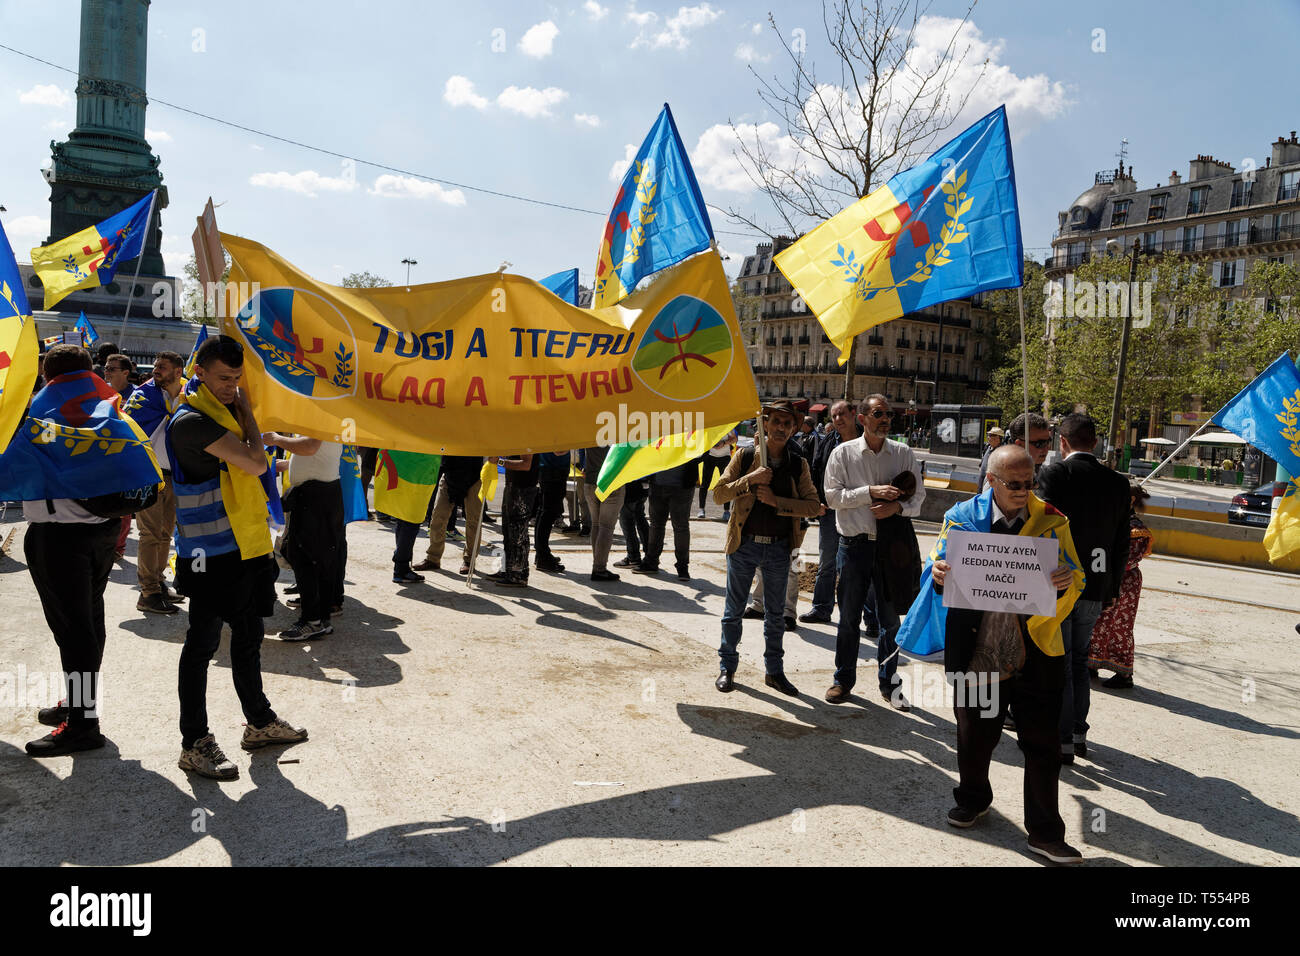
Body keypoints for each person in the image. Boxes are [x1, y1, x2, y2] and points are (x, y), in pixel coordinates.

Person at [906, 444, 1085, 863]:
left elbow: (1077, 575)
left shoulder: (1052, 522)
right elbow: (934, 566)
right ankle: (972, 797)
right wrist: (936, 574)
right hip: (976, 645)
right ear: (990, 481)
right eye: (1014, 484)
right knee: (974, 732)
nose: (1025, 491)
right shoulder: (960, 519)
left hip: (1036, 648)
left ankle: (1044, 832)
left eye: (1030, 482)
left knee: (1041, 742)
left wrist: (1065, 581)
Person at [168, 335, 306, 780]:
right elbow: (256, 463)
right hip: (209, 556)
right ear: (200, 372)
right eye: (223, 379)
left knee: (248, 639)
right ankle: (195, 743)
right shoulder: (191, 421)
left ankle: (260, 723)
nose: (231, 386)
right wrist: (247, 409)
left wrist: (240, 408)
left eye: (237, 379)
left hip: (247, 548)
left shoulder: (219, 413)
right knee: (202, 645)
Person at [15, 346, 134, 756]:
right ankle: (78, 703)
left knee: (73, 631)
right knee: (88, 624)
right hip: (102, 530)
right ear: (91, 372)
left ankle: (83, 725)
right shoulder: (109, 404)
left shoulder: (37, 410)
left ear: (48, 376)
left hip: (58, 535)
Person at [1036, 413, 1133, 763]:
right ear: (1095, 442)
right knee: (1079, 660)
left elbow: (1041, 527)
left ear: (1062, 442)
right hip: (1096, 584)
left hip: (1059, 583)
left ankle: (1062, 738)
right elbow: (1123, 541)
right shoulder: (1119, 483)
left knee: (1059, 661)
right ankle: (1077, 732)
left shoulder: (1055, 474)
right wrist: (1113, 587)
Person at [712, 399, 821, 695]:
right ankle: (727, 667)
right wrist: (750, 480)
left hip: (778, 549)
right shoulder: (746, 456)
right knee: (733, 611)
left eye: (788, 424)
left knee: (775, 614)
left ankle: (774, 671)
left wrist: (777, 502)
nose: (781, 428)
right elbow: (719, 495)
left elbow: (813, 505)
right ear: (766, 423)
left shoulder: (797, 464)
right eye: (776, 422)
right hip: (743, 545)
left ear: (794, 429)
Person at [823, 394, 924, 709]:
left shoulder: (903, 454)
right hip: (854, 546)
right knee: (849, 618)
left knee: (891, 620)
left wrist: (896, 506)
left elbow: (918, 499)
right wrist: (870, 493)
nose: (885, 420)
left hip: (892, 547)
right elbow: (832, 497)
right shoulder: (843, 454)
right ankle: (843, 682)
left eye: (889, 415)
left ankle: (890, 685)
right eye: (879, 413)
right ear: (862, 418)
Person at [121, 350, 187, 614]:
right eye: (156, 366)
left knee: (165, 533)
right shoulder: (143, 396)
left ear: (178, 372)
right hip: (148, 473)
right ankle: (147, 593)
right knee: (149, 534)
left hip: (174, 475)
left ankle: (158, 582)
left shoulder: (189, 394)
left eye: (162, 367)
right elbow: (127, 427)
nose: (156, 370)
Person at [263, 432, 344, 641]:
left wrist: (276, 439)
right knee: (320, 559)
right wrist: (282, 464)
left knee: (306, 559)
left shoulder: (318, 414)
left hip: (315, 497)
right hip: (320, 494)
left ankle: (311, 621)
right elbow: (312, 456)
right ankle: (321, 619)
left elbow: (309, 447)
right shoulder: (322, 414)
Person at [800, 399, 861, 625]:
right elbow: (816, 470)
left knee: (861, 566)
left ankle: (867, 618)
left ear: (853, 414)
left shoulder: (868, 438)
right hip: (831, 511)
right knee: (827, 562)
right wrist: (817, 502)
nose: (837, 420)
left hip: (860, 513)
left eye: (841, 414)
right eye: (833, 416)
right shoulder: (828, 441)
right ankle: (821, 609)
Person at [1088, 485, 1153, 689]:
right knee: (1098, 621)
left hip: (1124, 581)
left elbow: (1128, 560)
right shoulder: (1114, 522)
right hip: (1106, 578)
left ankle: (1124, 673)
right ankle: (1092, 663)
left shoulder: (1135, 528)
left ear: (1131, 500)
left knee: (1119, 626)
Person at [415, 454, 485, 576]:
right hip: (449, 473)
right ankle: (433, 558)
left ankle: (469, 560)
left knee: (473, 521)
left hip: (474, 475)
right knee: (437, 517)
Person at [634, 459, 696, 580]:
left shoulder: (691, 439)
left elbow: (703, 451)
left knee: (680, 527)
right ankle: (652, 562)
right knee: (658, 525)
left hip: (682, 486)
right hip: (658, 484)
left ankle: (682, 566)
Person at [103, 353, 138, 558]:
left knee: (124, 507)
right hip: (104, 457)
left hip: (127, 459)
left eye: (112, 369)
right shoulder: (100, 392)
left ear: (125, 373)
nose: (106, 371)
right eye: (105, 367)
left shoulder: (137, 395)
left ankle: (118, 547)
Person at [486, 453, 536, 587]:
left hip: (523, 488)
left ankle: (518, 574)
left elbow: (526, 464)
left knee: (518, 534)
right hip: (513, 485)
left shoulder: (527, 436)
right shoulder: (518, 436)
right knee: (508, 532)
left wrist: (500, 462)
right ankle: (508, 569)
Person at [583, 444, 625, 582]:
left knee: (596, 525)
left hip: (590, 481)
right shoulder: (618, 430)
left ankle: (597, 565)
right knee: (606, 527)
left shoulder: (588, 430)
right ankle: (599, 568)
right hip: (611, 481)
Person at [531, 451, 570, 573]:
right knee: (547, 514)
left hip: (551, 469)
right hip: (553, 470)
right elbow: (558, 451)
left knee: (544, 513)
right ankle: (543, 556)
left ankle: (541, 553)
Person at [697, 428, 735, 519]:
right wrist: (710, 444)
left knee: (726, 485)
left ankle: (726, 511)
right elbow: (700, 438)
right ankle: (701, 509)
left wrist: (724, 443)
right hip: (710, 457)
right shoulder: (709, 424)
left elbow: (734, 439)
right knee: (704, 484)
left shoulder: (727, 424)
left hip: (725, 457)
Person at [614, 477, 651, 569]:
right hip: (643, 486)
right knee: (640, 519)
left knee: (627, 522)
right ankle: (650, 555)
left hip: (630, 488)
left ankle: (633, 557)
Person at [976, 426, 1004, 492]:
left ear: (997, 438)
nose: (988, 437)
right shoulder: (987, 447)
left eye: (990, 435)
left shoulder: (1001, 451)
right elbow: (983, 458)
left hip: (991, 481)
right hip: (982, 477)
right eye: (988, 435)